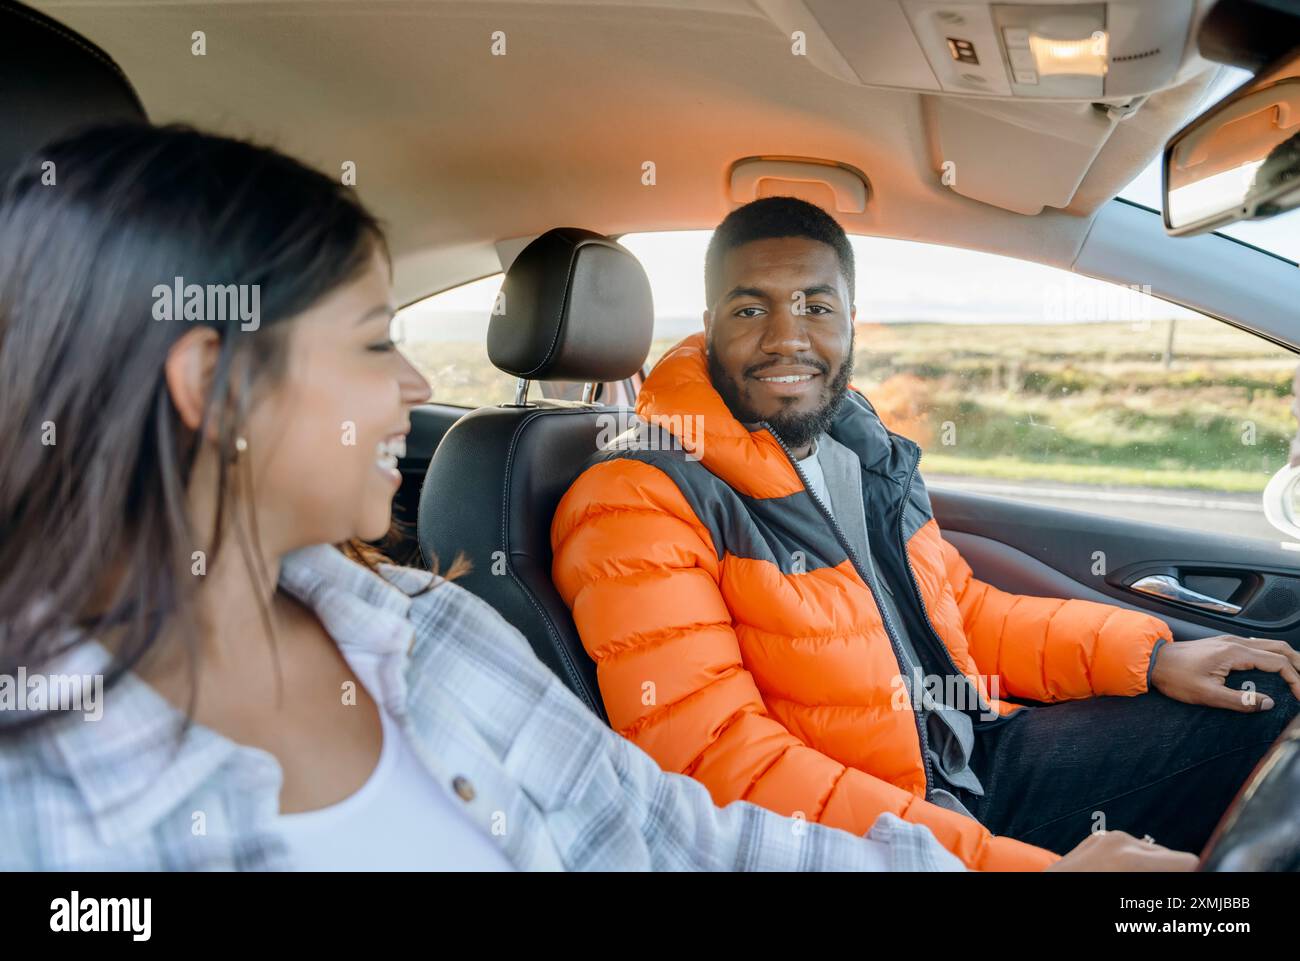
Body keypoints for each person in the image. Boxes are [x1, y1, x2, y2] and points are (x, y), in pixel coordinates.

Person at [0, 123, 984, 872]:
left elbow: (667, 832)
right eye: (374, 341)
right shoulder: (41, 808)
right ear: (213, 385)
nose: (417, 386)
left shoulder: (420, 625)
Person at [551, 196, 1300, 871]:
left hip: (969, 758)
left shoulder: (851, 448)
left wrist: (1154, 656)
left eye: (816, 306)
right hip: (874, 830)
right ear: (710, 325)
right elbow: (719, 767)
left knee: (1263, 698)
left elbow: (964, 613)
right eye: (751, 310)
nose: (788, 338)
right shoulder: (635, 497)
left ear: (851, 320)